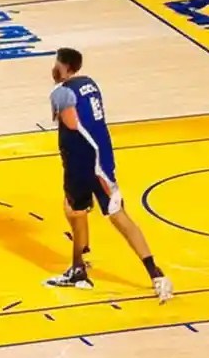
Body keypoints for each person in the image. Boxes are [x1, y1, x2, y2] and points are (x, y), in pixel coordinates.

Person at [45, 48, 173, 302]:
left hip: (82, 162)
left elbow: (71, 123)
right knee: (113, 215)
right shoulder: (89, 84)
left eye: (56, 64)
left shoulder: (61, 92)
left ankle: (79, 269)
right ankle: (155, 274)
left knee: (77, 211)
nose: (53, 68)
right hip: (103, 160)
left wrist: (59, 110)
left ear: (64, 67)